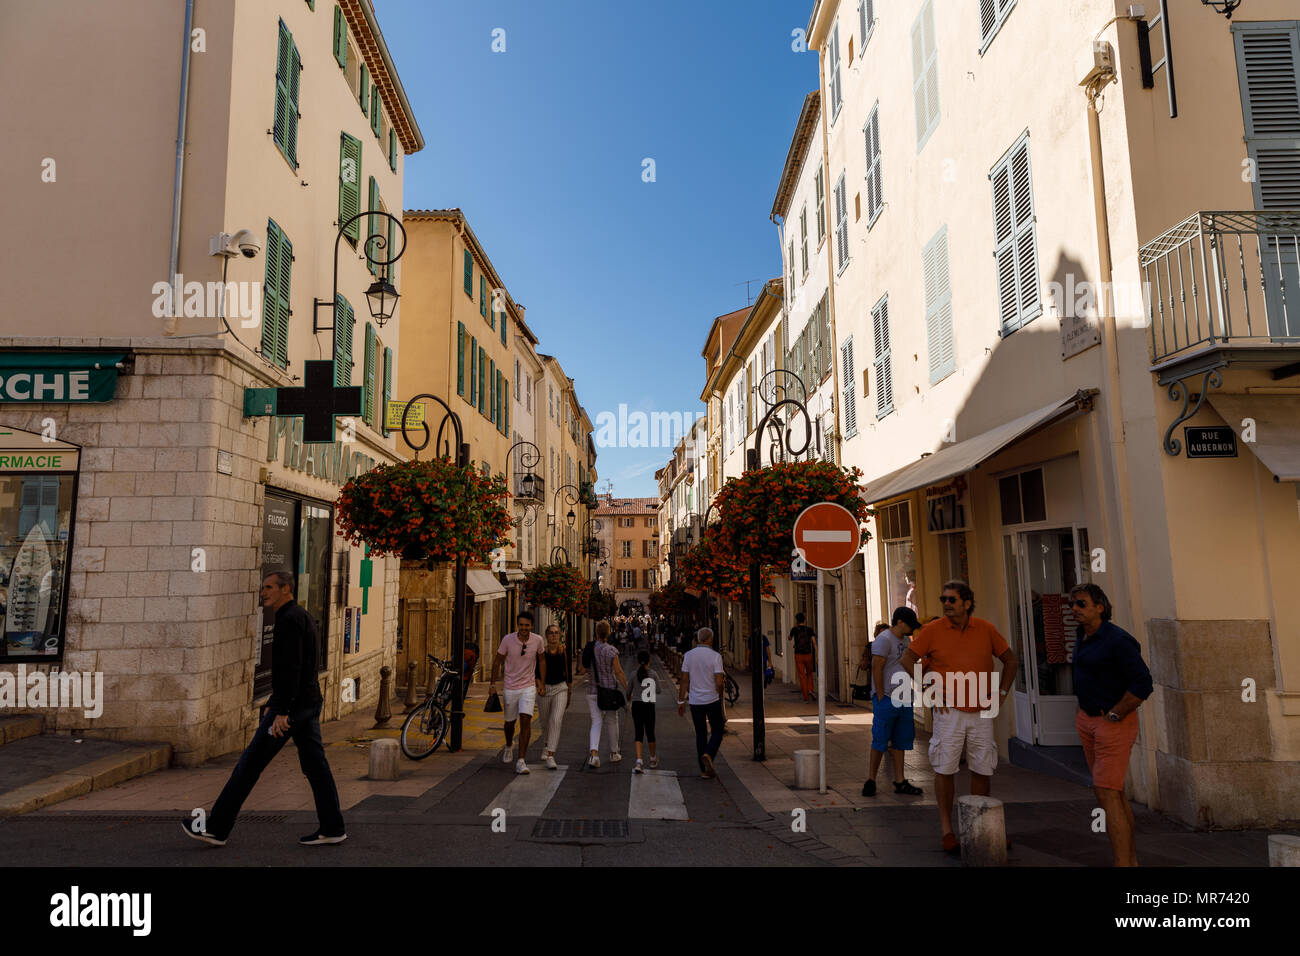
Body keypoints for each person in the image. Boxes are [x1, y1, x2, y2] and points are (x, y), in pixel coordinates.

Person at [184, 572, 344, 847]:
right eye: (263, 588)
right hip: (306, 703)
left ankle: (217, 828)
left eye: (269, 587)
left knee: (250, 763)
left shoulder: (289, 620)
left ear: (286, 589)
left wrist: (282, 710)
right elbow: (302, 667)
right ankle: (332, 827)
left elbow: (290, 668)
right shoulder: (301, 616)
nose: (263, 592)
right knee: (316, 766)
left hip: (291, 709)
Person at [898, 580, 1017, 855]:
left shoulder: (985, 629)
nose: (946, 604)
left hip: (982, 710)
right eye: (944, 599)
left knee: (982, 767)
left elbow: (1010, 660)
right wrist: (927, 689)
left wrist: (1000, 693)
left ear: (966, 603)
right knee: (945, 768)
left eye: (952, 599)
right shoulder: (932, 630)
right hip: (948, 711)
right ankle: (947, 830)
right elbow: (907, 659)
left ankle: (980, 826)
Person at [1070, 582, 1152, 867]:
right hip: (1088, 719)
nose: (1074, 609)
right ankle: (1130, 861)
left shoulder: (1117, 639)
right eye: (1073, 604)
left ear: (1100, 608)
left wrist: (1115, 715)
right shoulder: (1082, 636)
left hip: (1112, 722)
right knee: (1112, 791)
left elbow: (1143, 682)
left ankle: (1123, 863)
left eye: (1081, 604)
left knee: (1106, 791)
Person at [862, 607, 922, 797]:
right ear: (900, 622)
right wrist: (880, 696)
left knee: (901, 741)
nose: (912, 628)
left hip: (904, 697)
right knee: (880, 740)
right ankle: (871, 780)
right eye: (910, 624)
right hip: (887, 698)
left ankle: (900, 780)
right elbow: (876, 667)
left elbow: (906, 664)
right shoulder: (884, 640)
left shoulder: (905, 640)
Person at [488, 611, 545, 774]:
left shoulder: (538, 640)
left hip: (528, 686)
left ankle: (521, 760)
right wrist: (492, 684)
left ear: (531, 626)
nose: (524, 628)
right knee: (509, 723)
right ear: (517, 625)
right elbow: (497, 661)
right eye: (521, 625)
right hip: (510, 687)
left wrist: (541, 682)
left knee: (526, 720)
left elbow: (541, 659)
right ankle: (508, 745)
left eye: (527, 625)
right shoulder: (507, 640)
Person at [678, 627, 725, 779]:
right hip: (712, 699)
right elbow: (719, 681)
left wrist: (680, 701)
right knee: (718, 730)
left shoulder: (689, 656)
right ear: (711, 639)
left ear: (698, 639)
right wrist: (720, 693)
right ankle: (709, 753)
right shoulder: (715, 656)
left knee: (700, 733)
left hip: (695, 701)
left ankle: (704, 770)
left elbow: (684, 680)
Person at [580, 620, 625, 767]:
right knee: (612, 720)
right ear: (609, 632)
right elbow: (618, 671)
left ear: (596, 633)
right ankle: (614, 753)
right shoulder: (611, 651)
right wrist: (628, 688)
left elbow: (582, 669)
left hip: (593, 690)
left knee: (596, 721)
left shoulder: (589, 648)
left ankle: (594, 755)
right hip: (610, 691)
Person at [535, 624, 572, 770]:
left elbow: (568, 675)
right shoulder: (541, 652)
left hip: (560, 688)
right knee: (544, 722)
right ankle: (546, 743)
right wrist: (540, 685)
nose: (554, 635)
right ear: (546, 635)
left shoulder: (564, 652)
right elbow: (536, 672)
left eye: (557, 633)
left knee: (556, 720)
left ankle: (551, 755)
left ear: (560, 635)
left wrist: (569, 692)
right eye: (551, 633)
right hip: (544, 689)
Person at [628, 650, 659, 773]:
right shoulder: (653, 674)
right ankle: (652, 758)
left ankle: (639, 761)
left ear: (637, 661)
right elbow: (659, 690)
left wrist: (630, 696)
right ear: (649, 661)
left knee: (638, 732)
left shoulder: (633, 674)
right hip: (649, 706)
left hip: (636, 705)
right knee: (650, 732)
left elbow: (628, 691)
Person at [790, 613, 816, 702]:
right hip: (808, 654)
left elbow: (789, 638)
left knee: (802, 676)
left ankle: (806, 697)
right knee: (809, 673)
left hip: (798, 655)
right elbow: (814, 642)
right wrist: (817, 654)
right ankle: (810, 689)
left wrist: (794, 628)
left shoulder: (794, 629)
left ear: (797, 621)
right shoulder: (809, 629)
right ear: (805, 620)